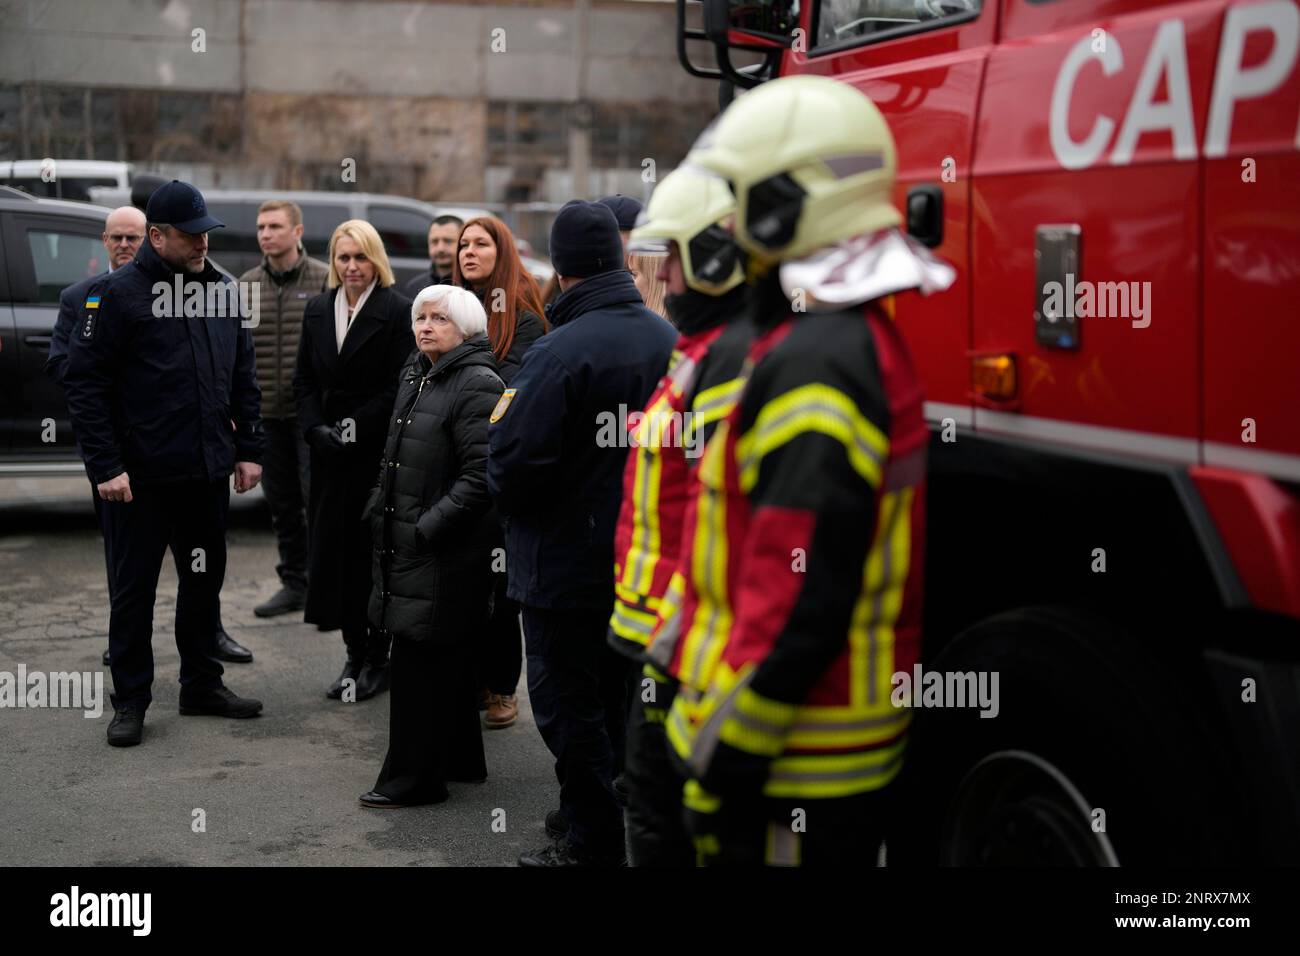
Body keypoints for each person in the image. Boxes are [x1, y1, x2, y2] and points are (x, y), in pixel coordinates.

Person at [665, 75, 954, 865]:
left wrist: (729, 755)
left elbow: (800, 599)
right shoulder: (829, 335)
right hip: (812, 749)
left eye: (739, 198)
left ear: (783, 204)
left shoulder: (817, 363)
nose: (728, 222)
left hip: (799, 761)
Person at [488, 199, 677, 866]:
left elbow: (512, 464)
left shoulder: (558, 351)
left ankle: (592, 840)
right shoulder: (668, 342)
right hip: (640, 563)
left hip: (565, 566)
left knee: (569, 706)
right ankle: (592, 812)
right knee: (620, 697)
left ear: (561, 270)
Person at [62, 180, 267, 748]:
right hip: (140, 481)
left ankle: (202, 683)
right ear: (157, 236)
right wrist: (106, 467)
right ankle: (130, 699)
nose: (203, 244)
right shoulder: (115, 296)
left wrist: (249, 449)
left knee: (203, 583)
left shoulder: (223, 292)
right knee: (135, 592)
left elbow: (243, 378)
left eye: (207, 234)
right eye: (190, 235)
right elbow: (85, 387)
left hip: (204, 475)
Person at [604, 167, 751, 865]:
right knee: (648, 803)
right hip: (661, 633)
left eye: (675, 260)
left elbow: (723, 518)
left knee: (662, 817)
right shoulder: (698, 351)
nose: (666, 276)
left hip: (684, 639)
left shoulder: (729, 361)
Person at [360, 285, 504, 807]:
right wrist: (381, 504)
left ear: (464, 328)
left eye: (438, 318)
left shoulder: (477, 383)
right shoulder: (417, 372)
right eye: (420, 317)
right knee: (442, 657)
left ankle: (413, 781)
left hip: (444, 548)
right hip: (409, 537)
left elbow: (483, 475)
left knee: (420, 661)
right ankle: (461, 761)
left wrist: (427, 527)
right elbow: (394, 453)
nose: (424, 326)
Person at [295, 220, 413, 702]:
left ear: (375, 260)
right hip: (327, 456)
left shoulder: (398, 310)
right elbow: (303, 379)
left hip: (373, 453)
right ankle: (352, 651)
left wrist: (352, 427)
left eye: (360, 257)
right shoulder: (320, 309)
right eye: (343, 258)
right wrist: (314, 428)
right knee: (335, 557)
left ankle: (377, 657)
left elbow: (397, 384)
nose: (350, 267)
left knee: (372, 557)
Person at [452, 215, 548, 729]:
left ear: (502, 251)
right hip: (451, 469)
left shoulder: (523, 317)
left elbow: (505, 395)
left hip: (496, 474)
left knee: (499, 590)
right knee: (462, 587)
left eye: (481, 244)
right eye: (463, 245)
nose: (468, 252)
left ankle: (501, 687)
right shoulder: (447, 307)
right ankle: (467, 681)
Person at [241, 200, 330, 619]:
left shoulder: (324, 280)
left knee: (317, 501)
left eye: (275, 226)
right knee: (281, 503)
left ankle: (324, 586)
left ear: (297, 232)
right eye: (261, 227)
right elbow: (236, 357)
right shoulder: (246, 286)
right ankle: (293, 583)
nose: (265, 234)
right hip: (266, 416)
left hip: (311, 416)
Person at [401, 214, 462, 300]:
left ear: (463, 243)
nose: (440, 248)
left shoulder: (472, 287)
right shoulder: (414, 288)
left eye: (448, 241)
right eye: (434, 241)